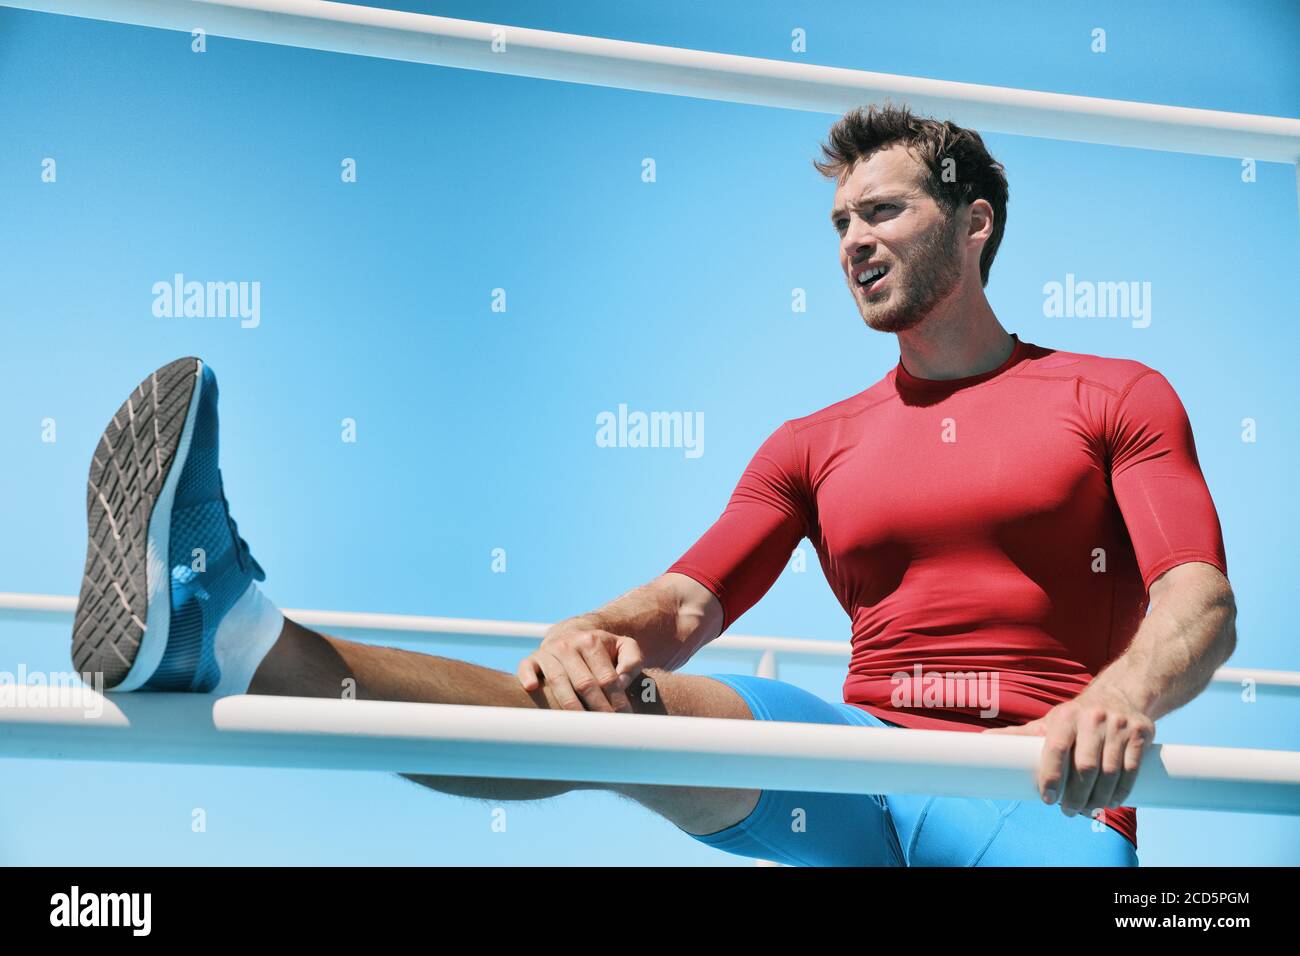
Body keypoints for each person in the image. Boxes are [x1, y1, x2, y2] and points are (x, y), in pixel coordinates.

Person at [70, 103, 1235, 866]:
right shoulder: (813, 440)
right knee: (596, 717)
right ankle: (238, 634)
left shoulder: (1111, 392)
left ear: (974, 223)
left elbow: (1197, 598)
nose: (851, 241)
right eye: (836, 222)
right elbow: (685, 605)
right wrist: (591, 629)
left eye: (882, 210)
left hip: (1042, 795)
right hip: (851, 758)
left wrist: (1120, 695)